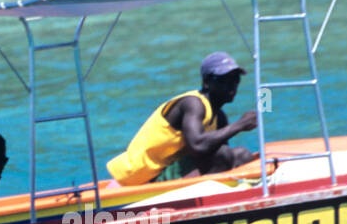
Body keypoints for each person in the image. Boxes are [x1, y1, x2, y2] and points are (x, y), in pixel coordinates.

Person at [106, 52, 259, 186]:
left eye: (235, 79)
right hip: (140, 178)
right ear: (206, 82)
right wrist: (240, 125)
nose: (231, 85)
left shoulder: (219, 118)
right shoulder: (192, 104)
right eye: (223, 80)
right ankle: (208, 206)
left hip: (165, 171)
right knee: (222, 154)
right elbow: (198, 145)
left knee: (242, 155)